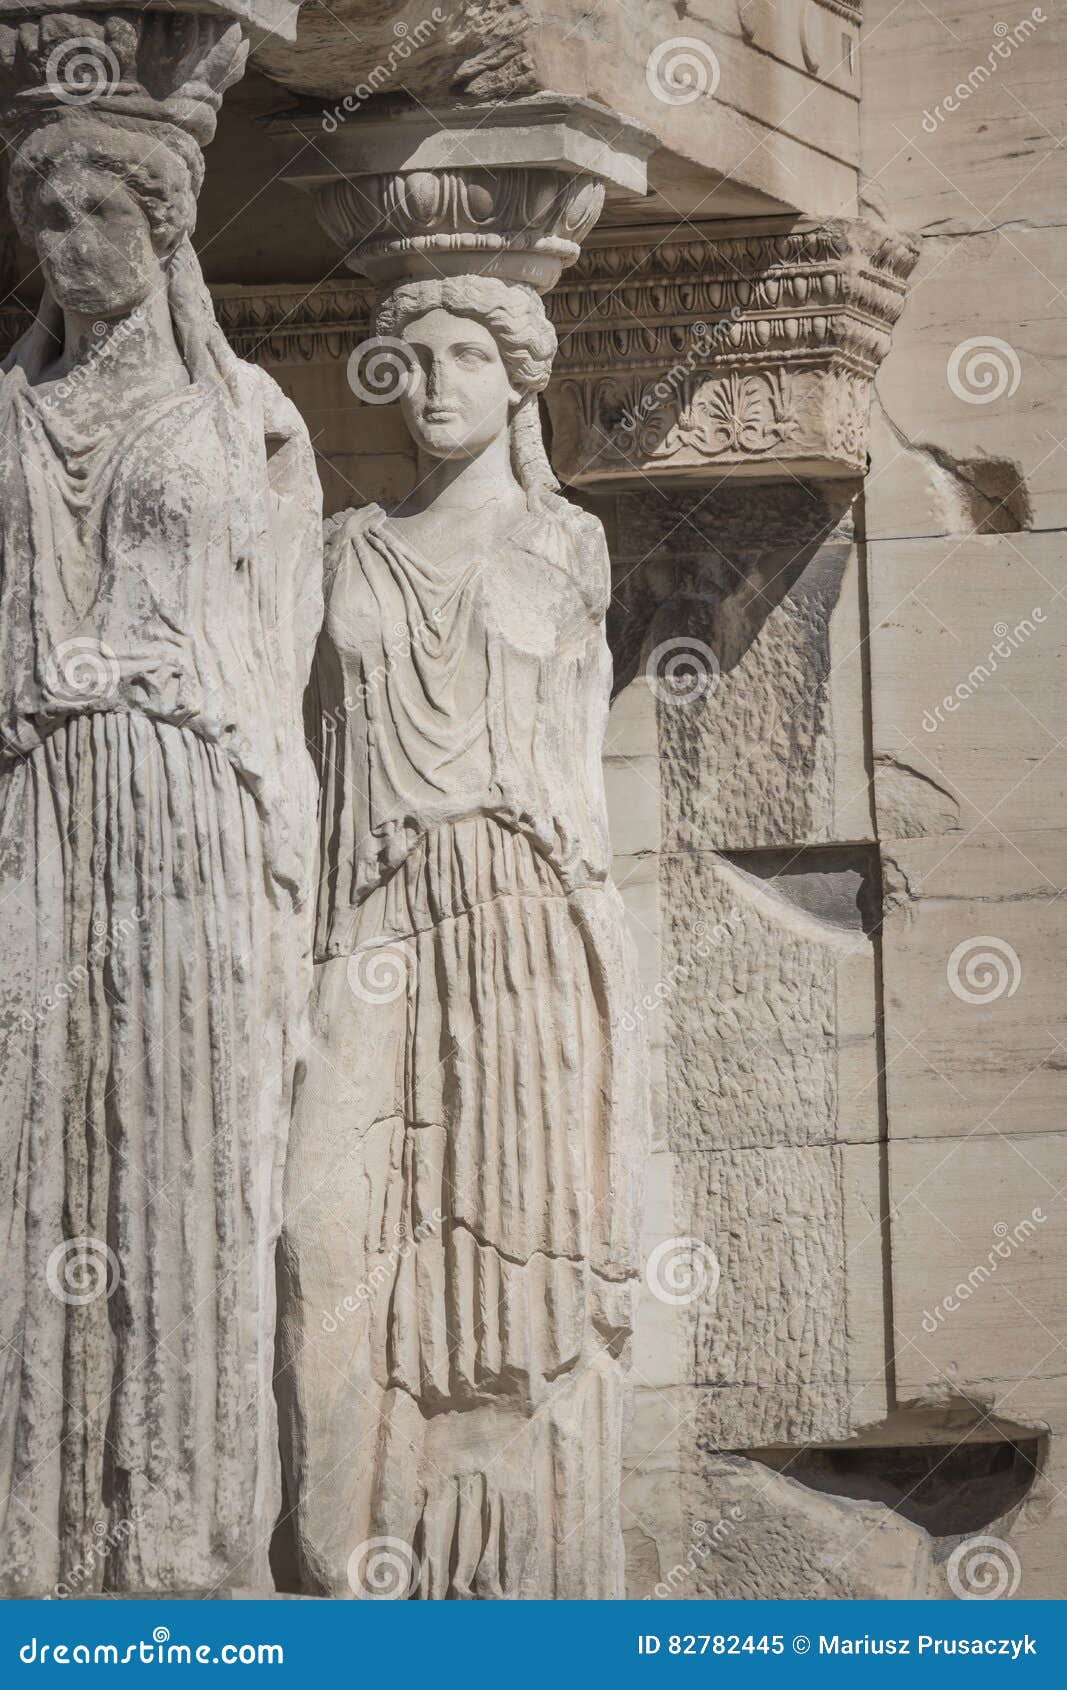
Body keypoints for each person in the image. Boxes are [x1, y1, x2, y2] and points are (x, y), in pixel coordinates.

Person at [279, 276, 647, 1600]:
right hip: (368, 920)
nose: (432, 382)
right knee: (322, 1228)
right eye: (409, 356)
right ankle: (341, 1551)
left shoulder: (566, 545)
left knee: (514, 1250)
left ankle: (504, 1567)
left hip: (522, 924)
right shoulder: (340, 549)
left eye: (462, 357)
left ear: (519, 379)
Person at [0, 110, 321, 1595]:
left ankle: (184, 1544)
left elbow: (280, 653)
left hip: (190, 802)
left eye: (97, 213)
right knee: (40, 1137)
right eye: (44, 216)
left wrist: (282, 874)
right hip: (38, 803)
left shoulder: (250, 414)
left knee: (185, 1141)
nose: (69, 244)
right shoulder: (4, 411)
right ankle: (40, 1541)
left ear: (170, 222)